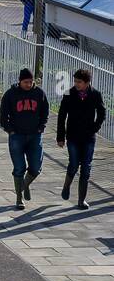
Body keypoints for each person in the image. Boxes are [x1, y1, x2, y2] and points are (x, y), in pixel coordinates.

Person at [0, 67, 49, 209]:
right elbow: (3, 116)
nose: (28, 84)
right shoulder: (10, 94)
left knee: (36, 167)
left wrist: (41, 128)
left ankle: (24, 185)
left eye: (31, 82)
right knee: (19, 167)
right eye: (26, 82)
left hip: (34, 135)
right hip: (17, 136)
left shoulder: (39, 94)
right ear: (20, 81)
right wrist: (10, 131)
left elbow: (45, 112)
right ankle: (19, 199)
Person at [56, 68, 105, 210]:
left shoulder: (95, 94)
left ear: (87, 83)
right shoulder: (69, 94)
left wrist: (95, 128)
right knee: (73, 163)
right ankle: (66, 186)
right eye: (75, 81)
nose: (76, 84)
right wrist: (60, 136)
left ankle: (81, 200)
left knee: (86, 167)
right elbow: (61, 115)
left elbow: (102, 113)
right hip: (72, 136)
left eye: (79, 82)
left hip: (89, 137)